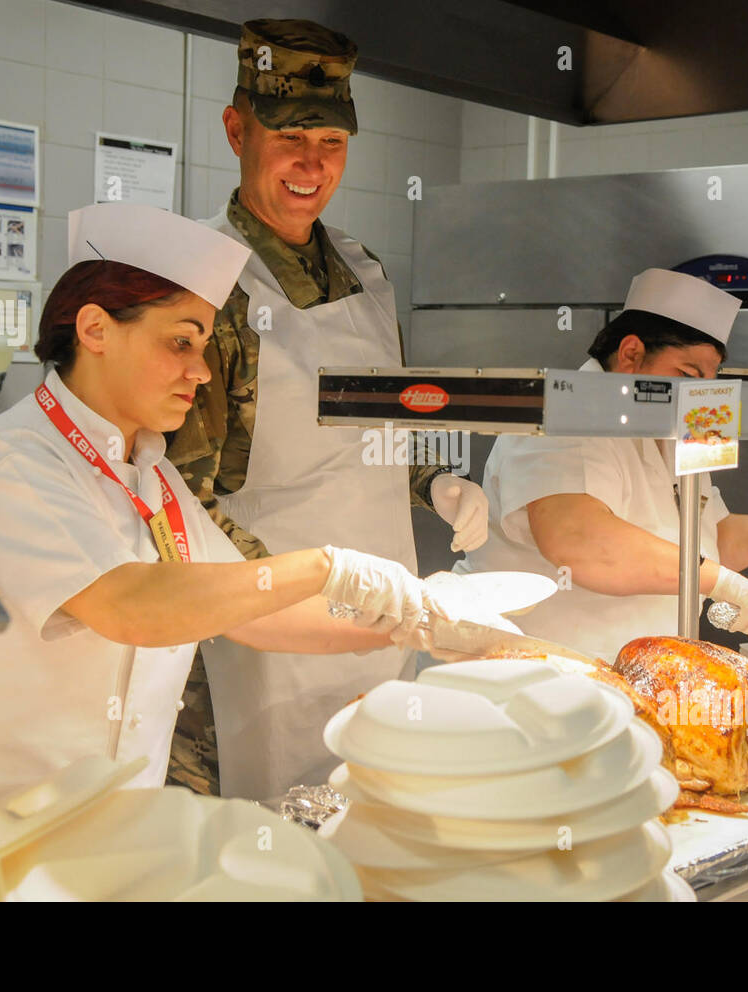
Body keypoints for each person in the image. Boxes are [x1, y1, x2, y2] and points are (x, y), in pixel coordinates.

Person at [0, 202, 449, 867]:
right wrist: (325, 565)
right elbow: (130, 605)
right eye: (181, 341)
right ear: (95, 329)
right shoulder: (12, 463)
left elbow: (264, 613)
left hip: (104, 856)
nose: (201, 372)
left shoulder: (152, 477)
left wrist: (421, 618)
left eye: (204, 345)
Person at [166, 18, 490, 801]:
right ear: (237, 130)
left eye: (333, 143)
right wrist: (298, 603)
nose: (312, 164)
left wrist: (434, 482)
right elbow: (180, 502)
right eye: (289, 137)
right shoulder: (201, 282)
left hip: (382, 621)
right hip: (259, 637)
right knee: (263, 852)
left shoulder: (366, 270)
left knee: (371, 826)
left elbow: (386, 424)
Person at [458, 268, 748, 662]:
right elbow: (581, 544)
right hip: (533, 676)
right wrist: (722, 583)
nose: (701, 396)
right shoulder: (562, 416)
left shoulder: (684, 424)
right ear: (630, 354)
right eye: (687, 376)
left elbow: (703, 538)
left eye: (710, 380)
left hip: (641, 677)